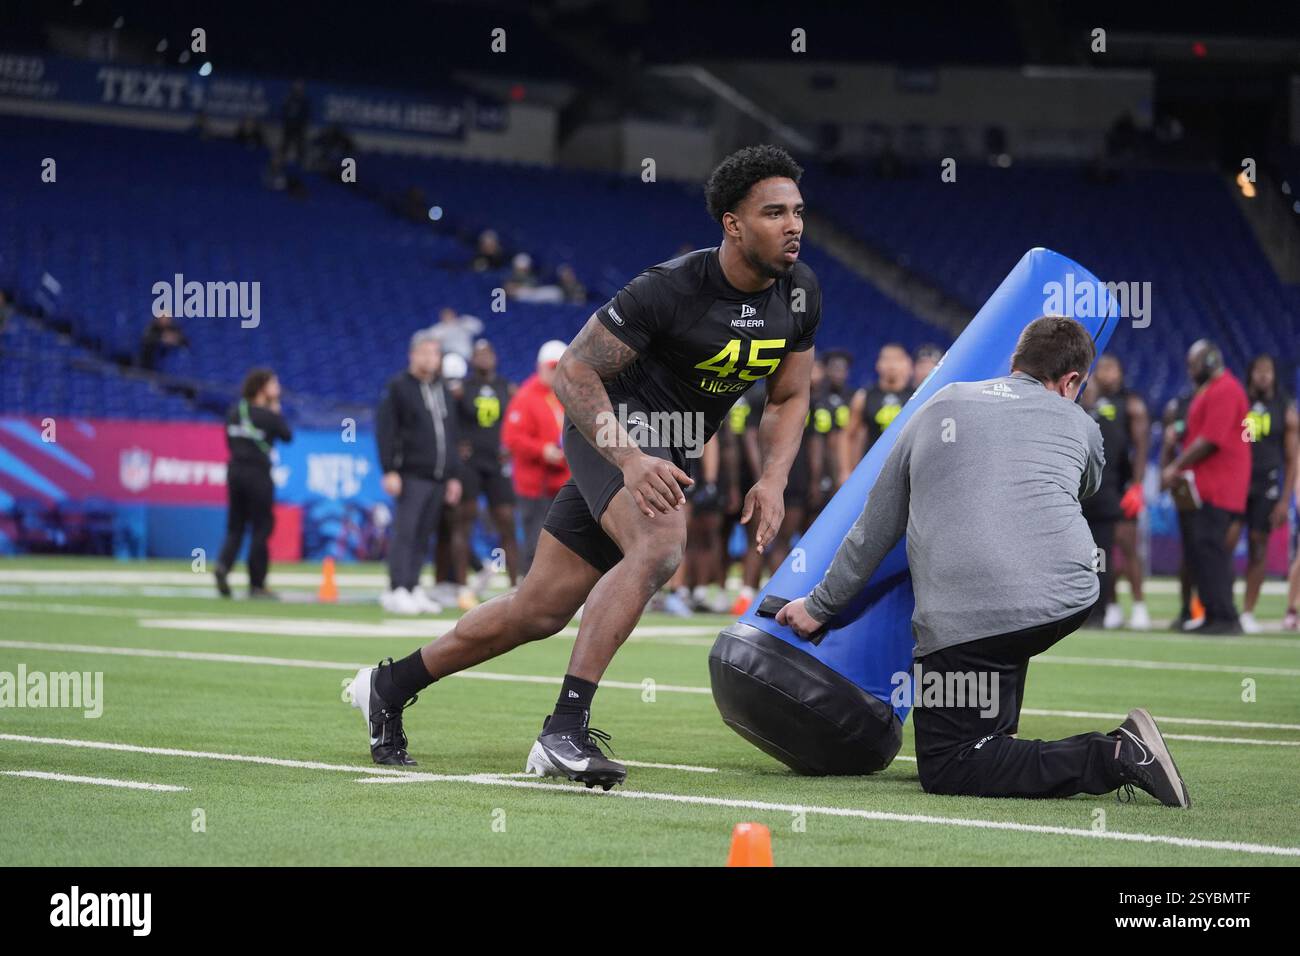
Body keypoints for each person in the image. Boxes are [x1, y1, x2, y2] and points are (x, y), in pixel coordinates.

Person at [344, 145, 820, 787]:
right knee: (659, 544)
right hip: (614, 431)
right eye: (773, 212)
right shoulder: (672, 287)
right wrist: (626, 457)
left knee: (537, 610)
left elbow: (789, 397)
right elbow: (573, 370)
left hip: (673, 450)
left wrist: (772, 478)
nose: (793, 225)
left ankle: (388, 684)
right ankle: (563, 730)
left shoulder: (800, 294)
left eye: (797, 210)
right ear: (732, 224)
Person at [779, 316, 1189, 807]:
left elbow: (875, 528)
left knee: (950, 764)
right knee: (1003, 631)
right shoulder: (1082, 423)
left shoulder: (940, 403)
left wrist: (820, 606)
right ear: (1072, 381)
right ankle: (997, 736)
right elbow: (1080, 485)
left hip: (976, 610)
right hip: (1069, 592)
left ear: (1014, 363)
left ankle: (1118, 753)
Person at [1161, 340, 1251, 635]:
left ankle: (1225, 616)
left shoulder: (1225, 389)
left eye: (1194, 364)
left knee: (1211, 550)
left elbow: (1211, 439)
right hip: (1204, 485)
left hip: (1218, 485)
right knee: (1200, 550)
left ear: (1210, 360)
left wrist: (1176, 466)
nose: (1191, 370)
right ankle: (1213, 613)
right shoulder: (1211, 390)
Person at [375, 331, 464, 615]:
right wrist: (389, 469)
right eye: (425, 352)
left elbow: (450, 434)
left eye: (435, 353)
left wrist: (452, 474)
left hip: (439, 476)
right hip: (411, 473)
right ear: (412, 355)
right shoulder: (399, 387)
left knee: (424, 533)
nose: (430, 358)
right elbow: (386, 431)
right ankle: (396, 588)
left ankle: (413, 586)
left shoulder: (442, 389)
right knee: (406, 531)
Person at [1080, 354, 1151, 630]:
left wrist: (1137, 485)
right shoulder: (1087, 402)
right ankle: (1109, 605)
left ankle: (1140, 606)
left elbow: (1141, 448)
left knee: (1127, 546)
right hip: (1092, 490)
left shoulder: (1131, 404)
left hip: (1120, 488)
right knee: (1098, 553)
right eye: (1104, 369)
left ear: (1121, 373)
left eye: (1114, 369)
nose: (1108, 374)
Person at [1231, 355, 1298, 632]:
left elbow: (1292, 458)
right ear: (1250, 374)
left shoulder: (1285, 409)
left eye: (1268, 371)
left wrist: (1285, 500)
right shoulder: (1237, 402)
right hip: (1235, 484)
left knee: (1259, 548)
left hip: (1266, 487)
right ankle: (1219, 606)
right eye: (1258, 371)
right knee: (1223, 544)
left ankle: (1247, 612)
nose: (1263, 376)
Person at [215, 369, 292, 599]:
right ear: (262, 388)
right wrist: (276, 411)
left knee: (235, 527)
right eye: (274, 383)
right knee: (261, 527)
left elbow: (229, 440)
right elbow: (287, 436)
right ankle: (257, 584)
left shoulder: (234, 412)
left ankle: (223, 567)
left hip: (235, 471)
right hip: (258, 474)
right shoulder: (268, 416)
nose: (278, 387)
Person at [454, 340, 520, 598]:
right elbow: (450, 420)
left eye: (488, 353)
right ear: (472, 359)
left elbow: (517, 419)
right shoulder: (462, 390)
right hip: (471, 463)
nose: (484, 358)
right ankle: (461, 587)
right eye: (479, 354)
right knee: (464, 518)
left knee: (505, 519)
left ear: (495, 357)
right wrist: (458, 444)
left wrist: (510, 446)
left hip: (497, 461)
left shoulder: (507, 388)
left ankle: (515, 587)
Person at [501, 340, 570, 574]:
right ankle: (529, 595)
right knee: (535, 540)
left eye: (560, 367)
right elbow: (512, 439)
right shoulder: (526, 396)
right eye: (552, 367)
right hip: (534, 484)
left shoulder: (567, 394)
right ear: (540, 367)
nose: (556, 372)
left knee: (564, 542)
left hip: (563, 481)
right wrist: (542, 450)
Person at [848, 343, 913, 463]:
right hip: (872, 465)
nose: (891, 365)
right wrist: (845, 470)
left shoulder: (917, 397)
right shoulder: (863, 396)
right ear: (878, 364)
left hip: (905, 464)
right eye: (886, 359)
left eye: (897, 359)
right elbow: (848, 435)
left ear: (907, 364)